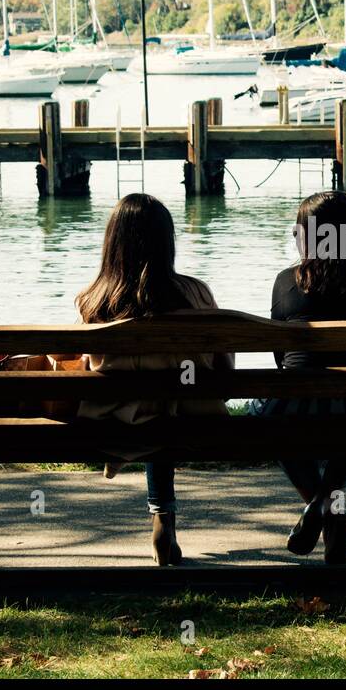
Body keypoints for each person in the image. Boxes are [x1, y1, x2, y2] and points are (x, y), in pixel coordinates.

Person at [75, 194, 233, 567]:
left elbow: (87, 373)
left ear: (112, 242)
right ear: (167, 241)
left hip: (116, 420)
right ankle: (163, 518)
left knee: (150, 408)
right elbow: (223, 369)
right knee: (166, 406)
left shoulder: (92, 300)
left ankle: (162, 514)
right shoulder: (196, 293)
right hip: (191, 415)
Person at [250, 191, 346, 565]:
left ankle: (321, 507)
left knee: (269, 417)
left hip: (293, 405)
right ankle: (327, 511)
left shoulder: (286, 282)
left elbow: (282, 358)